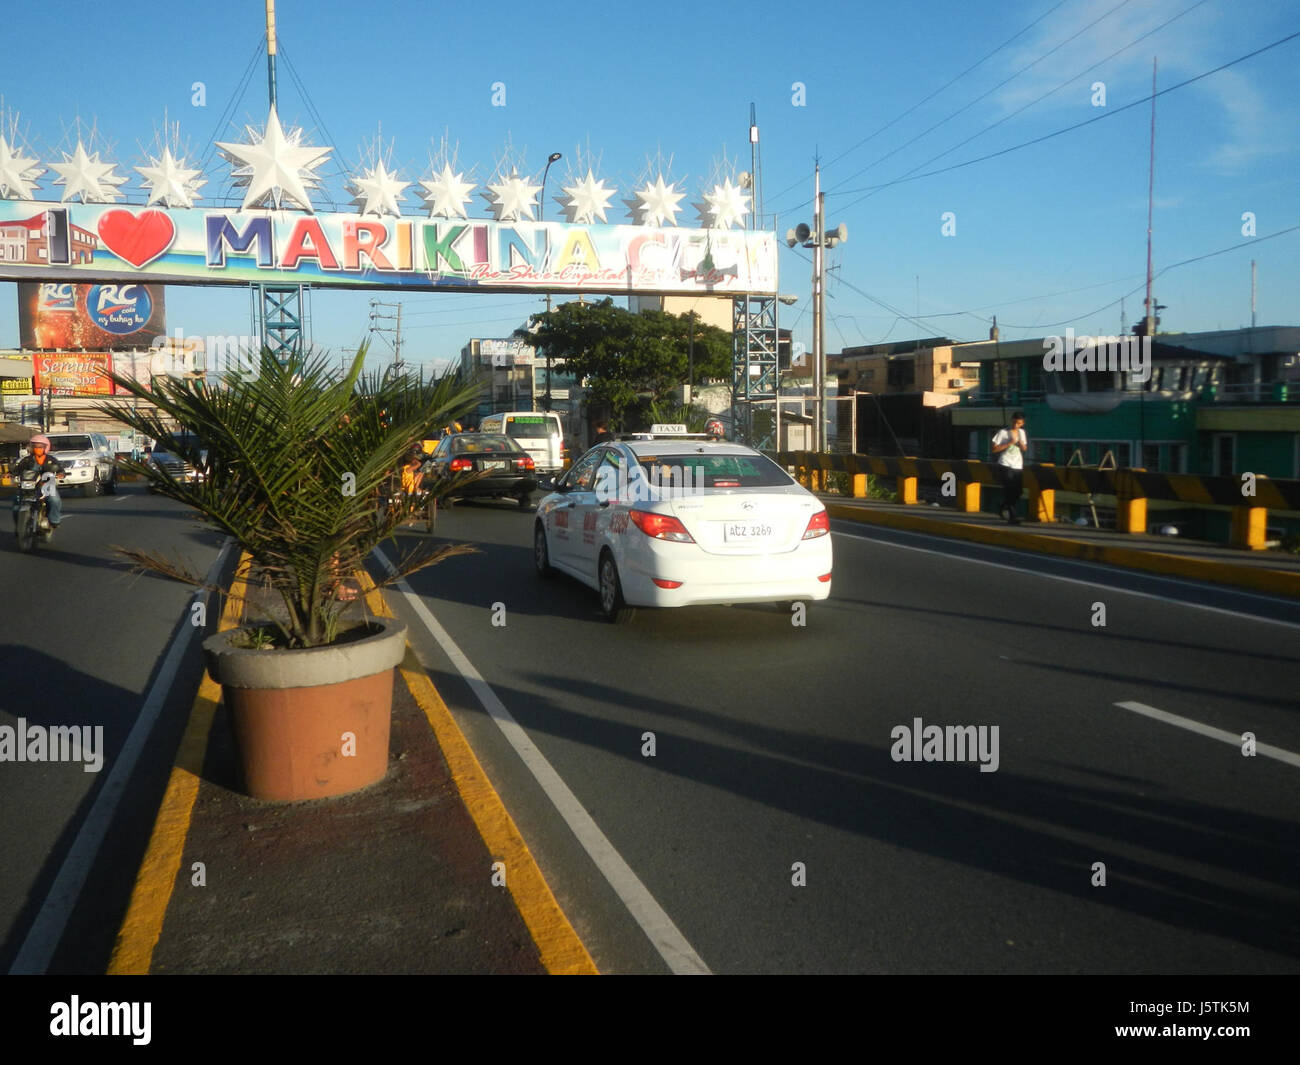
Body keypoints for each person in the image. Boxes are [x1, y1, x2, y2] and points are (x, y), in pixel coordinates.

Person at [12, 435, 66, 530]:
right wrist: (10, 473)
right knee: (16, 504)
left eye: (40, 447)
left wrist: (60, 473)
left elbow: (60, 469)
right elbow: (17, 470)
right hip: (28, 486)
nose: (37, 449)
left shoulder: (51, 459)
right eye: (35, 447)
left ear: (46, 447)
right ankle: (18, 527)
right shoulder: (26, 460)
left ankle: (54, 520)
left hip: (46, 485)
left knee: (54, 500)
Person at [991, 412, 1028, 524]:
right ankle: (1012, 516)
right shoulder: (1003, 432)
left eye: (1019, 423)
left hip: (1017, 465)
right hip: (1005, 463)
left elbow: (1024, 448)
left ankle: (1003, 506)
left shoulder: (1022, 432)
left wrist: (1020, 442)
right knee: (1009, 490)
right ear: (1011, 420)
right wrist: (1009, 443)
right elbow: (994, 449)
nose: (1016, 425)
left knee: (1018, 491)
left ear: (1022, 423)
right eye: (1014, 422)